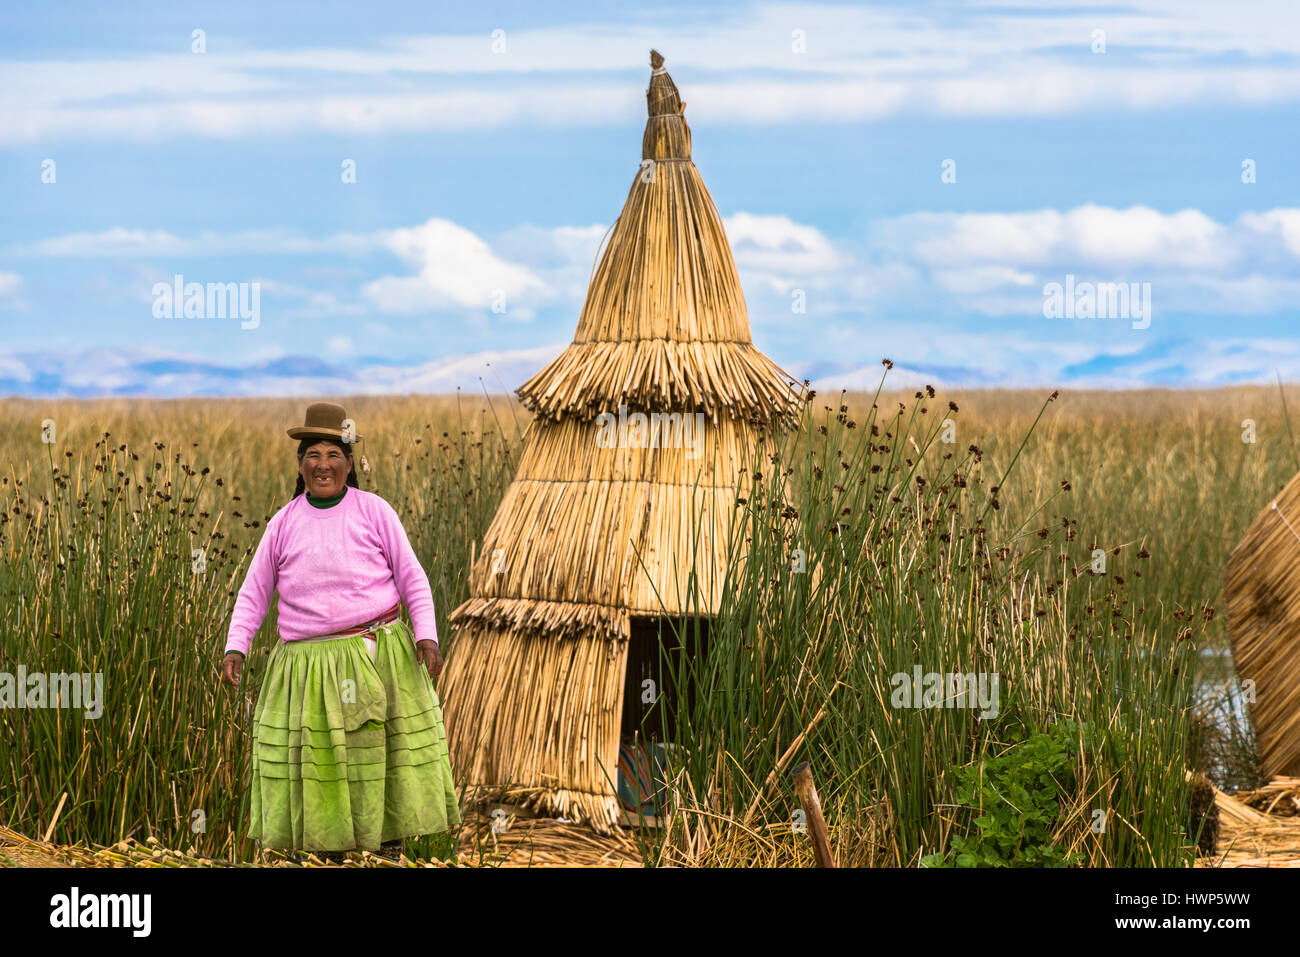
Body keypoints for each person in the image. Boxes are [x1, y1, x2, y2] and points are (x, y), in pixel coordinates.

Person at [220, 401, 460, 862]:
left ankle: (383, 852)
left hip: (376, 657)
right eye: (313, 455)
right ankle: (321, 854)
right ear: (300, 464)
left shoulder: (373, 512)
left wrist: (426, 634)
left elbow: (412, 576)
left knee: (377, 758)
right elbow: (255, 591)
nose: (323, 464)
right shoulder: (283, 523)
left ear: (349, 464)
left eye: (333, 454)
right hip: (306, 669)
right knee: (321, 765)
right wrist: (237, 646)